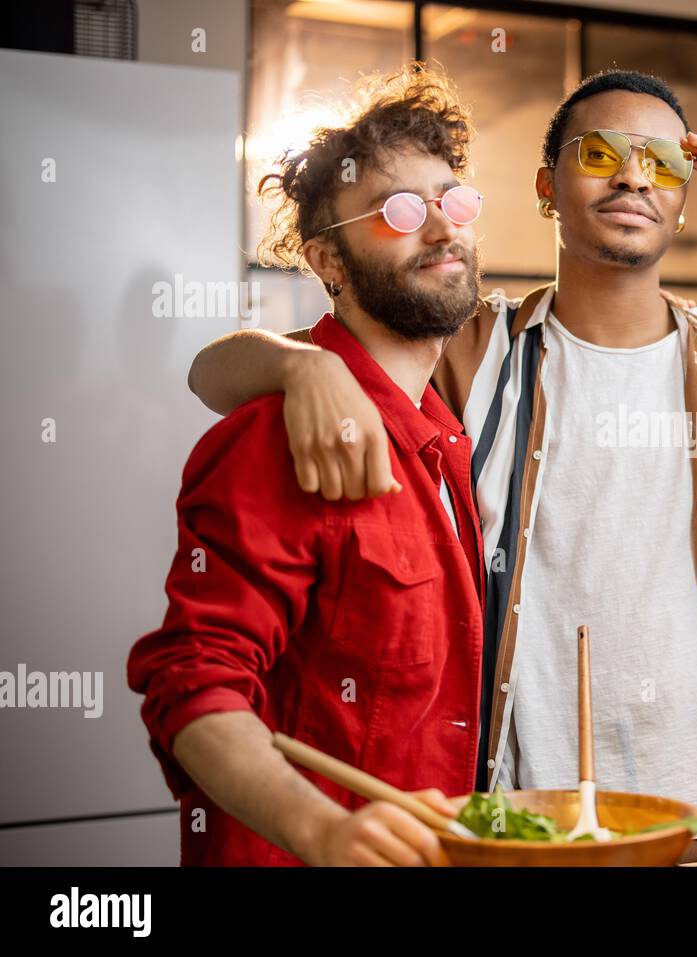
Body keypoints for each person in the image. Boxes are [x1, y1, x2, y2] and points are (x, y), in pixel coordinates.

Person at [187, 69, 697, 861]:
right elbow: (213, 373)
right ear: (546, 186)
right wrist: (300, 367)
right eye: (599, 153)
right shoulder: (473, 345)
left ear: (683, 195)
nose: (635, 174)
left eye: (663, 161)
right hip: (527, 828)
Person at [127, 66, 486, 866]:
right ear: (327, 261)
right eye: (397, 210)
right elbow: (192, 686)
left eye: (452, 200)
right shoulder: (281, 436)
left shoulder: (446, 438)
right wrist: (323, 828)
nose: (440, 228)